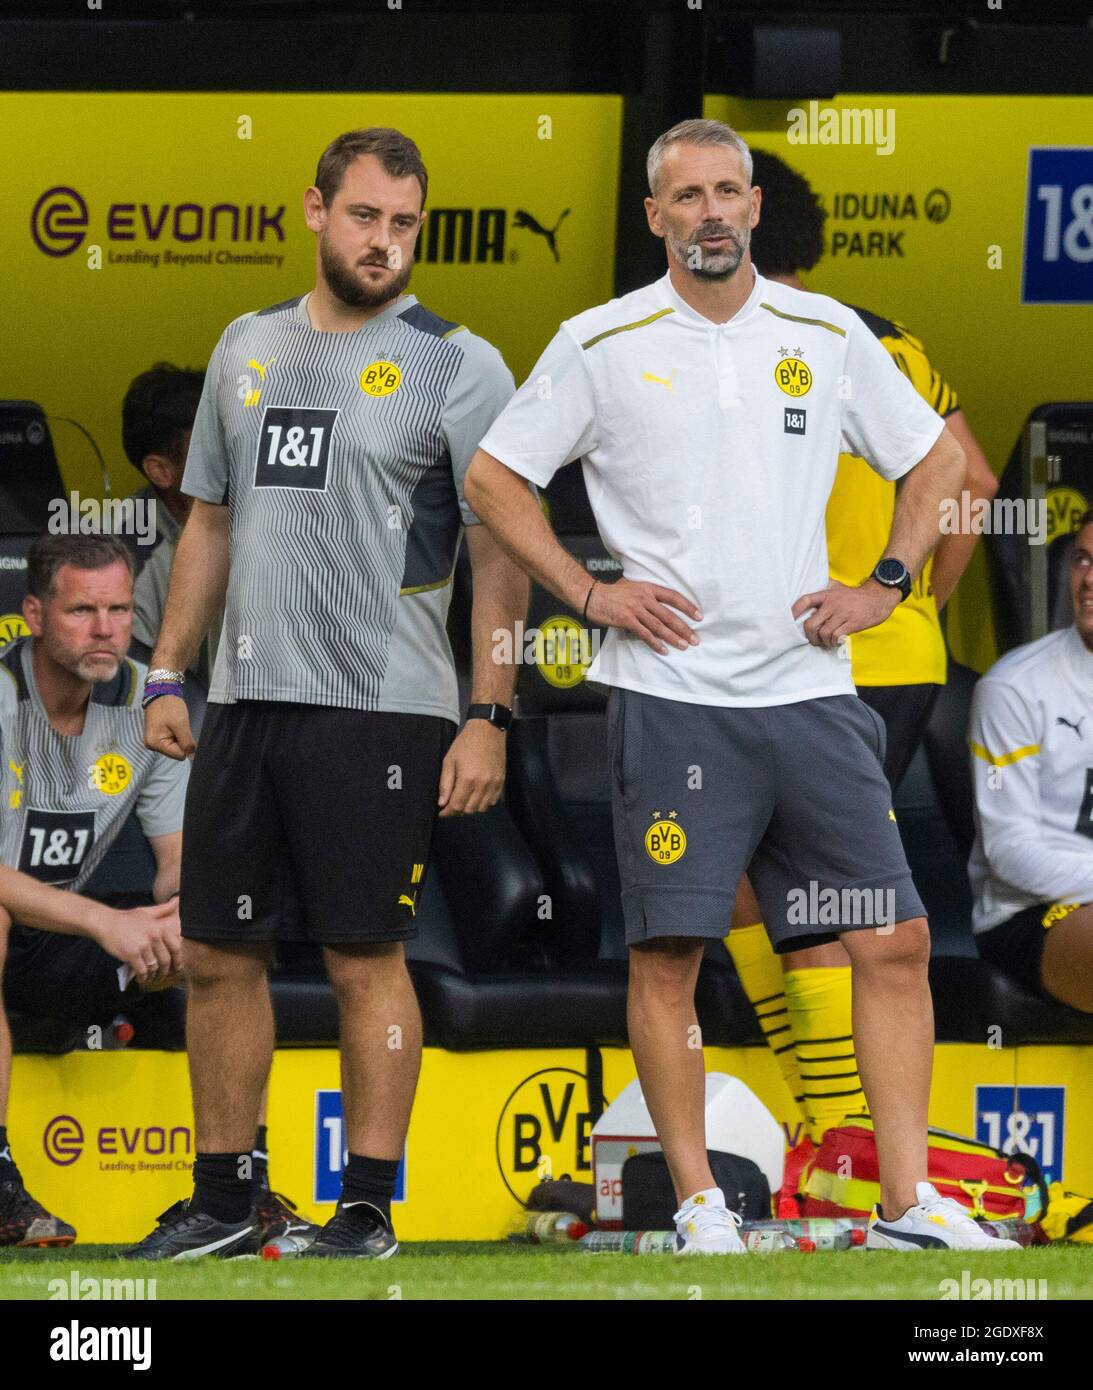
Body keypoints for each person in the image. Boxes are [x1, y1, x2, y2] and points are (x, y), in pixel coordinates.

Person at [465, 117, 1017, 1252]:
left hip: (811, 695)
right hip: (672, 698)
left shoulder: (823, 330)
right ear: (655, 216)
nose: (711, 212)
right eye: (687, 196)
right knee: (669, 953)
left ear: (754, 207)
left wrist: (887, 584)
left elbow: (942, 462)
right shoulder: (598, 338)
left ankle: (907, 1202)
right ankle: (700, 1206)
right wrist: (584, 588)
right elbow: (492, 475)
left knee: (894, 940)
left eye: (729, 192)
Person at [126, 127, 528, 1261]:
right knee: (216, 951)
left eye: (405, 224)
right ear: (313, 210)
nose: (384, 244)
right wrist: (167, 669)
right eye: (364, 217)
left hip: (382, 705)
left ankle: (365, 1206)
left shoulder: (461, 363)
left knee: (362, 956)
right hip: (246, 700)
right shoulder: (245, 344)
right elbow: (209, 518)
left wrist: (489, 713)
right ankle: (226, 1197)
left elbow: (498, 557)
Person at [723, 149, 999, 1193]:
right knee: (773, 880)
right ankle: (833, 1125)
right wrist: (917, 594)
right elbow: (968, 484)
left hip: (817, 664)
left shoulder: (754, 343)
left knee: (797, 888)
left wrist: (885, 590)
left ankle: (839, 1133)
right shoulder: (889, 339)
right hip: (892, 656)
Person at [0, 535, 184, 1247]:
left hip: (63, 950)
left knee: (225, 932)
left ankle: (235, 1186)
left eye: (119, 608)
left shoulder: (151, 705)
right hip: (26, 936)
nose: (106, 629)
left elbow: (175, 859)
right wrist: (108, 923)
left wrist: (178, 914)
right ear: (35, 615)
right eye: (82, 610)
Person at [968, 509, 1093, 1013]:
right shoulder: (1015, 686)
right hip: (1030, 911)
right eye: (1082, 559)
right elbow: (1010, 851)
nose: (1089, 579)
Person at [121, 363, 222, 684]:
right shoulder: (121, 560)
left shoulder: (268, 521)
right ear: (160, 471)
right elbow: (128, 690)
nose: (228, 462)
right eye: (208, 453)